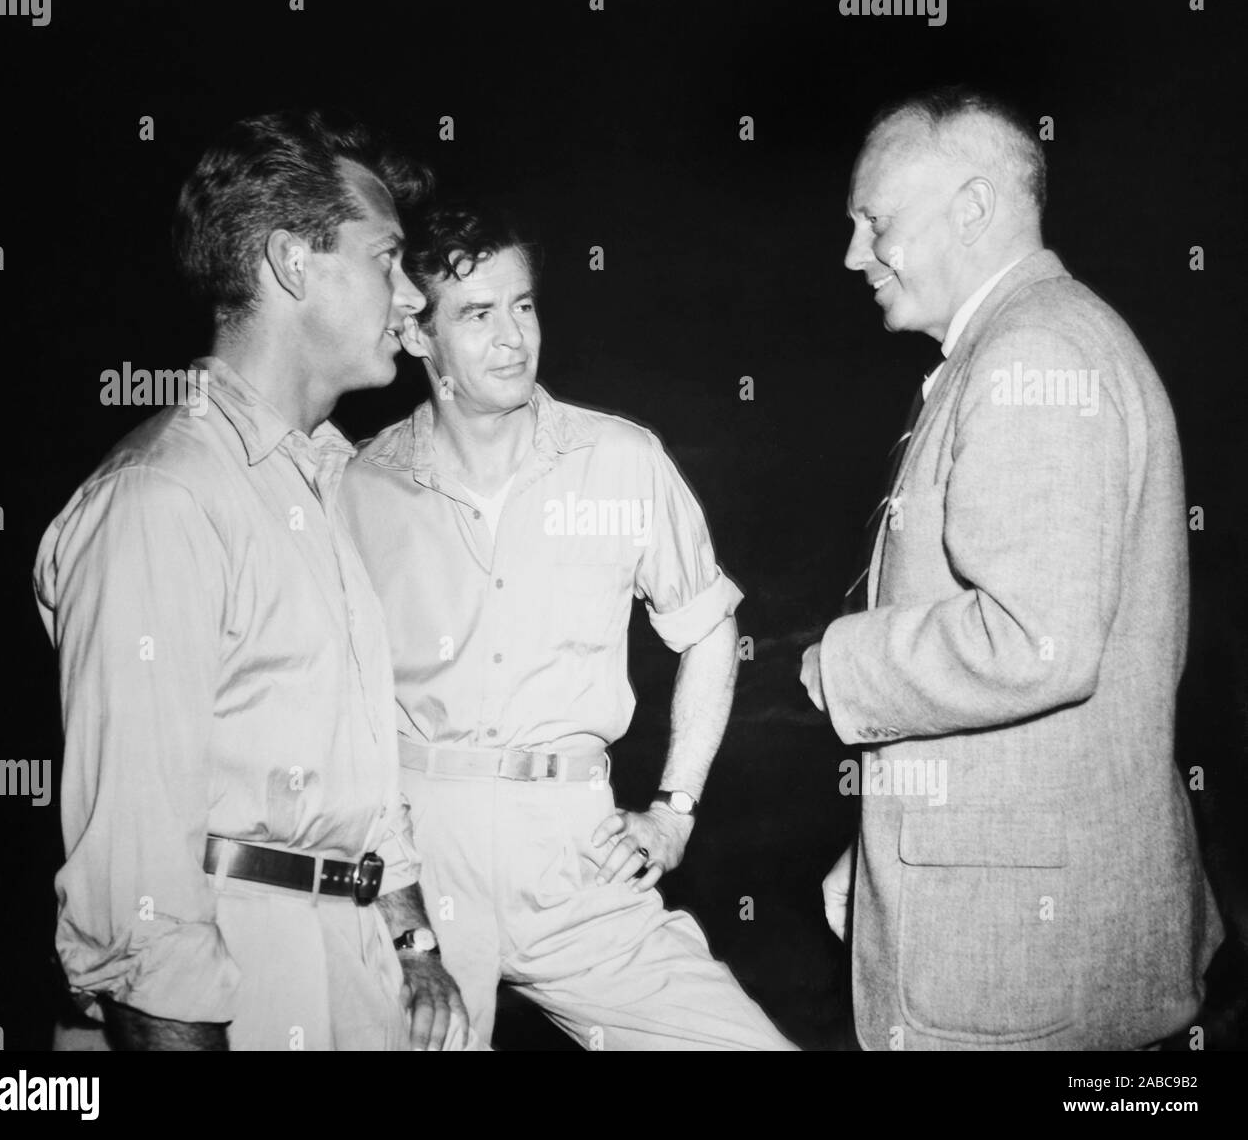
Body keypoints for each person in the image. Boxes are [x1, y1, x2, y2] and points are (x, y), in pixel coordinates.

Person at [34, 110, 472, 1051]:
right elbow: (137, 893)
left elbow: (354, 778)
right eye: (386, 259)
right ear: (290, 262)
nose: (411, 298)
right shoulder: (162, 497)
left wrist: (412, 939)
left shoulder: (315, 485)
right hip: (243, 983)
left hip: (354, 968)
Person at [801, 86, 1223, 1050]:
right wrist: (882, 851)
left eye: (876, 221)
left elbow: (1038, 642)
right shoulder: (1042, 340)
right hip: (1035, 911)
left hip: (1019, 971)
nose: (855, 254)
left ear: (976, 207)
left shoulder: (1032, 354)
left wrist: (838, 662)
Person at [340, 204, 796, 1050]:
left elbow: (708, 629)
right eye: (478, 314)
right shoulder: (360, 489)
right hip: (415, 865)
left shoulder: (619, 459)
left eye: (524, 305)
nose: (513, 336)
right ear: (418, 335)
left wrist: (675, 808)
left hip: (575, 856)